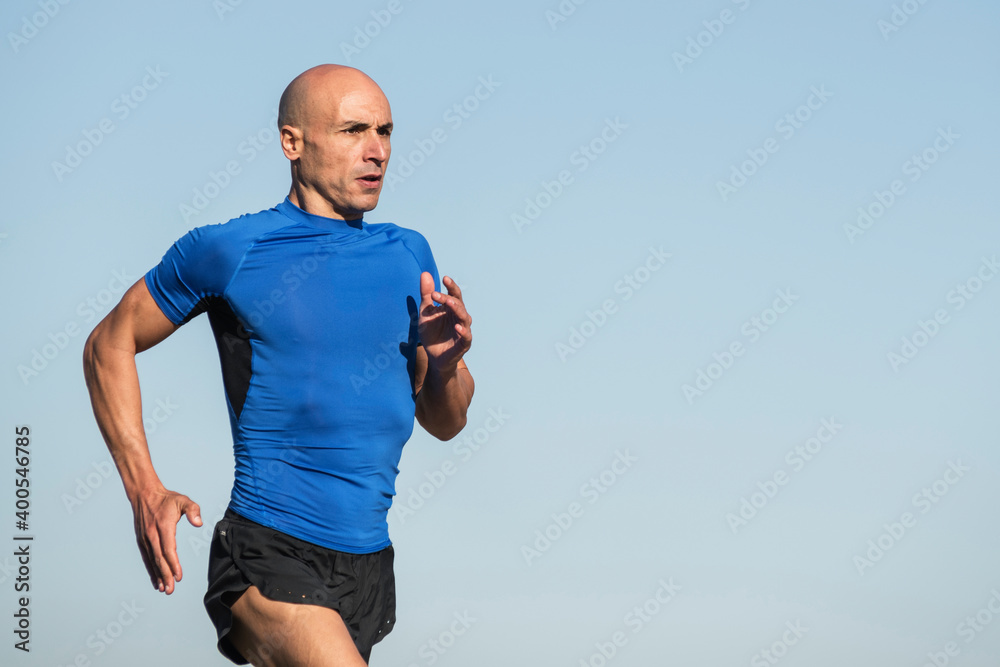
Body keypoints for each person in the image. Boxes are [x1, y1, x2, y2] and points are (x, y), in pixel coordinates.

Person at [82, 64, 474, 666]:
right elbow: (107, 344)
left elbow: (446, 423)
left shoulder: (407, 252)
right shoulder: (232, 250)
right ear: (293, 142)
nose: (377, 151)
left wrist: (445, 367)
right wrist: (144, 489)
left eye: (385, 131)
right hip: (267, 550)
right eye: (353, 131)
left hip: (369, 567)